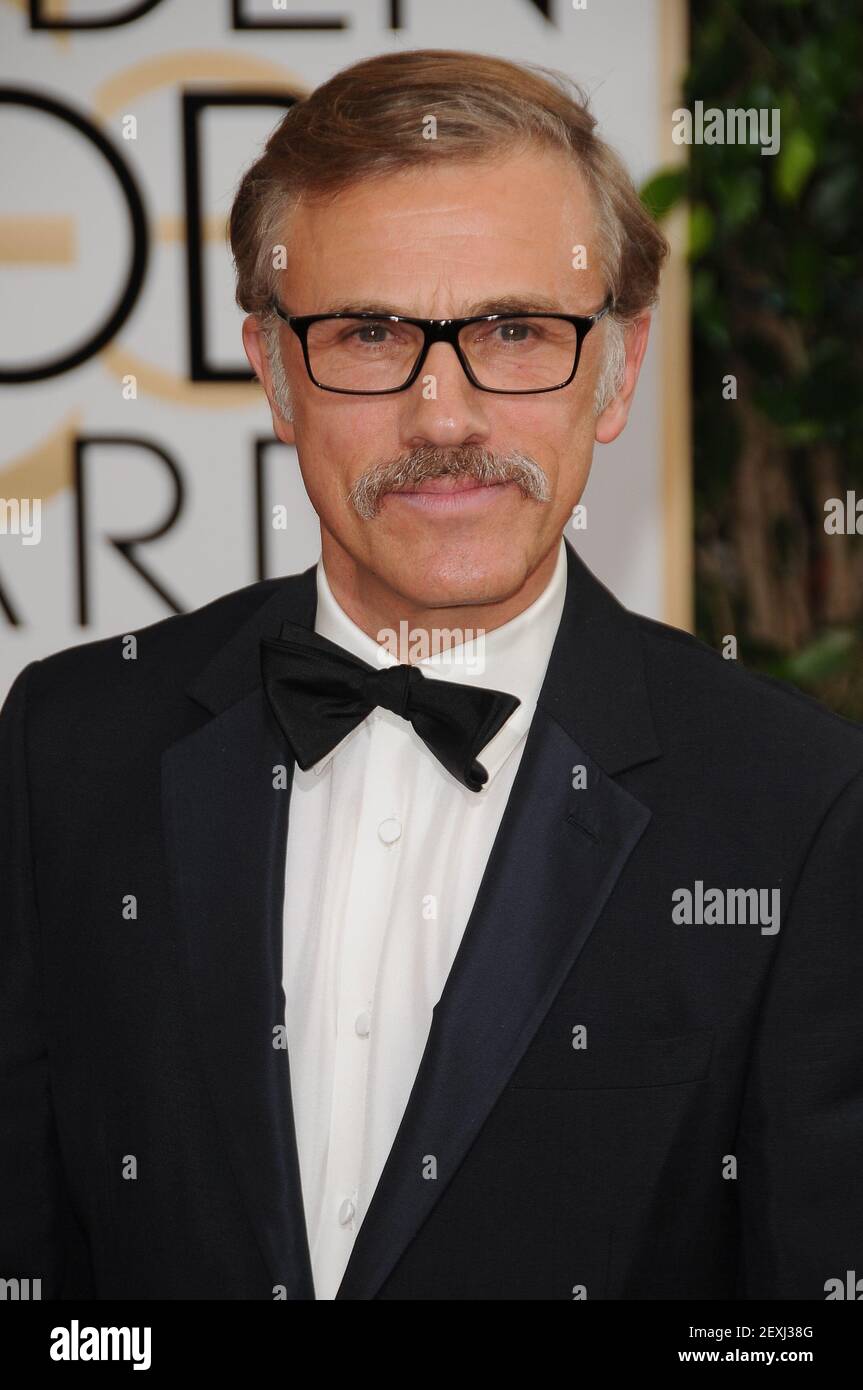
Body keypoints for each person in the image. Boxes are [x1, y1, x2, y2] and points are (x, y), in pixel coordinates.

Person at [2, 48, 862, 1302]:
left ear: (617, 369)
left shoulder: (796, 805)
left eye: (516, 331)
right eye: (368, 333)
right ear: (276, 370)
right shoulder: (70, 743)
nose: (443, 415)